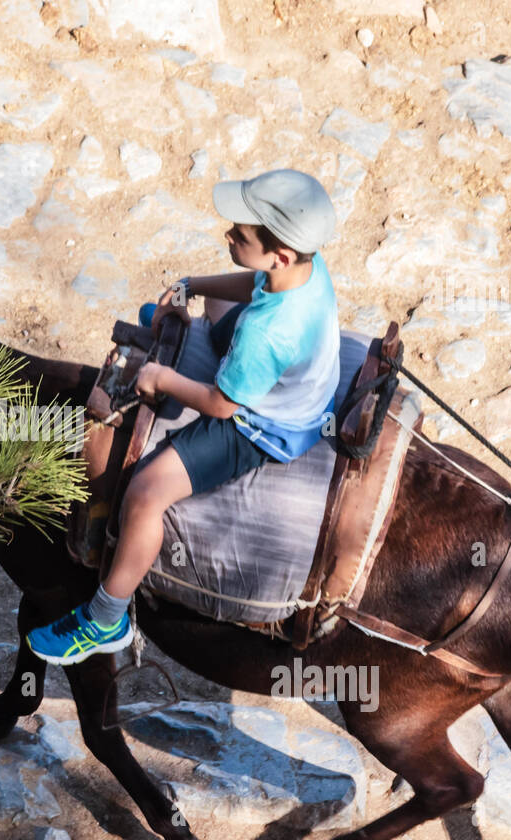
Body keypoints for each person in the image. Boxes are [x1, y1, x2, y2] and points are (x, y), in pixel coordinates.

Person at [26, 169, 342, 665]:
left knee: (146, 492)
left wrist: (162, 379)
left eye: (240, 234)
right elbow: (254, 283)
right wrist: (192, 284)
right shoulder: (303, 268)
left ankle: (106, 617)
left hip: (263, 425)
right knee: (219, 296)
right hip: (283, 377)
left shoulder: (267, 334)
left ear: (280, 254)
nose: (229, 234)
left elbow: (221, 405)